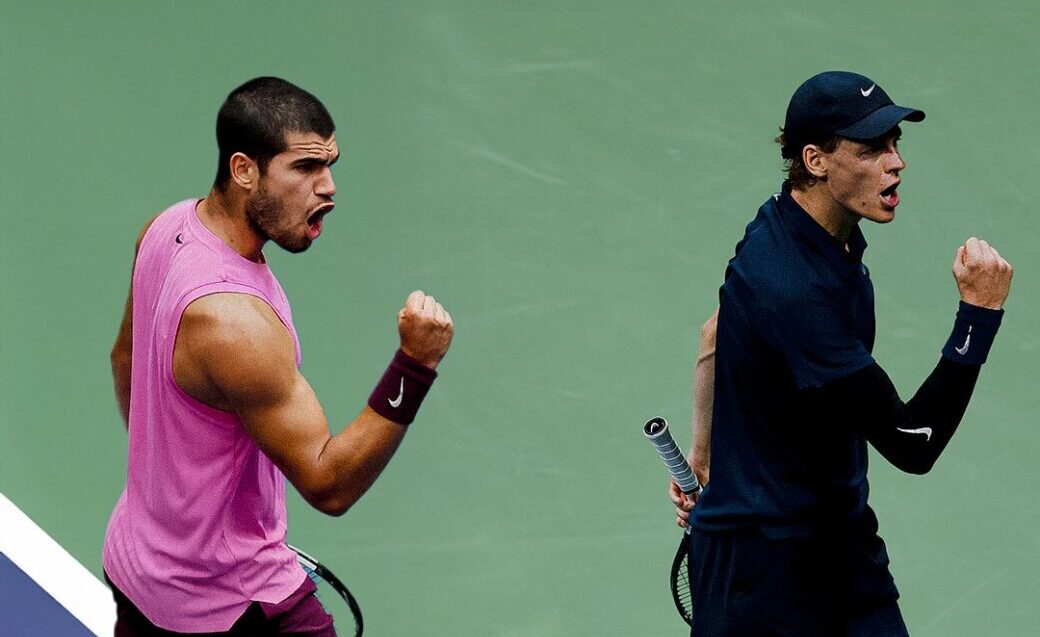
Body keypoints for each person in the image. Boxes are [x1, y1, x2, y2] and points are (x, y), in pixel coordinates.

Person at [103, 77, 454, 635]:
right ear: (245, 171)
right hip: (230, 600)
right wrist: (416, 364)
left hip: (138, 564)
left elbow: (125, 362)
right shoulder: (235, 324)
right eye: (305, 168)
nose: (329, 186)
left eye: (330, 164)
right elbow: (329, 483)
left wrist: (176, 491)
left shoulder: (165, 227)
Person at [669, 71, 1013, 636]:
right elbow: (911, 444)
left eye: (895, 143)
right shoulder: (794, 290)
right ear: (816, 160)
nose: (895, 161)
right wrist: (978, 316)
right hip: (763, 572)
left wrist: (703, 456)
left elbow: (715, 332)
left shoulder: (801, 226)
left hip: (843, 545)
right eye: (872, 148)